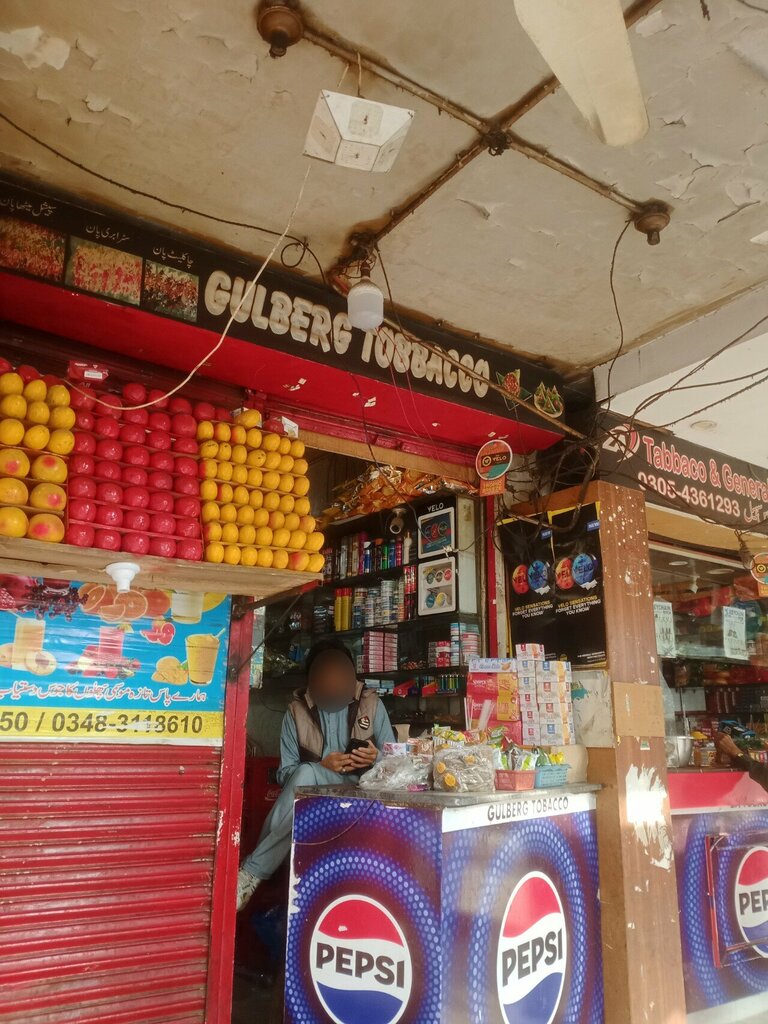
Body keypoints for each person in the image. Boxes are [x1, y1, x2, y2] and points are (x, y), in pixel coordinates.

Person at [236, 638, 395, 910]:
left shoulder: (371, 704)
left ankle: (252, 871)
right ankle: (253, 872)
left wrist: (376, 758)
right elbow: (286, 775)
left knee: (302, 788)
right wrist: (322, 767)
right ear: (312, 682)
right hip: (316, 793)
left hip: (364, 793)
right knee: (305, 775)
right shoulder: (296, 712)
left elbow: (397, 764)